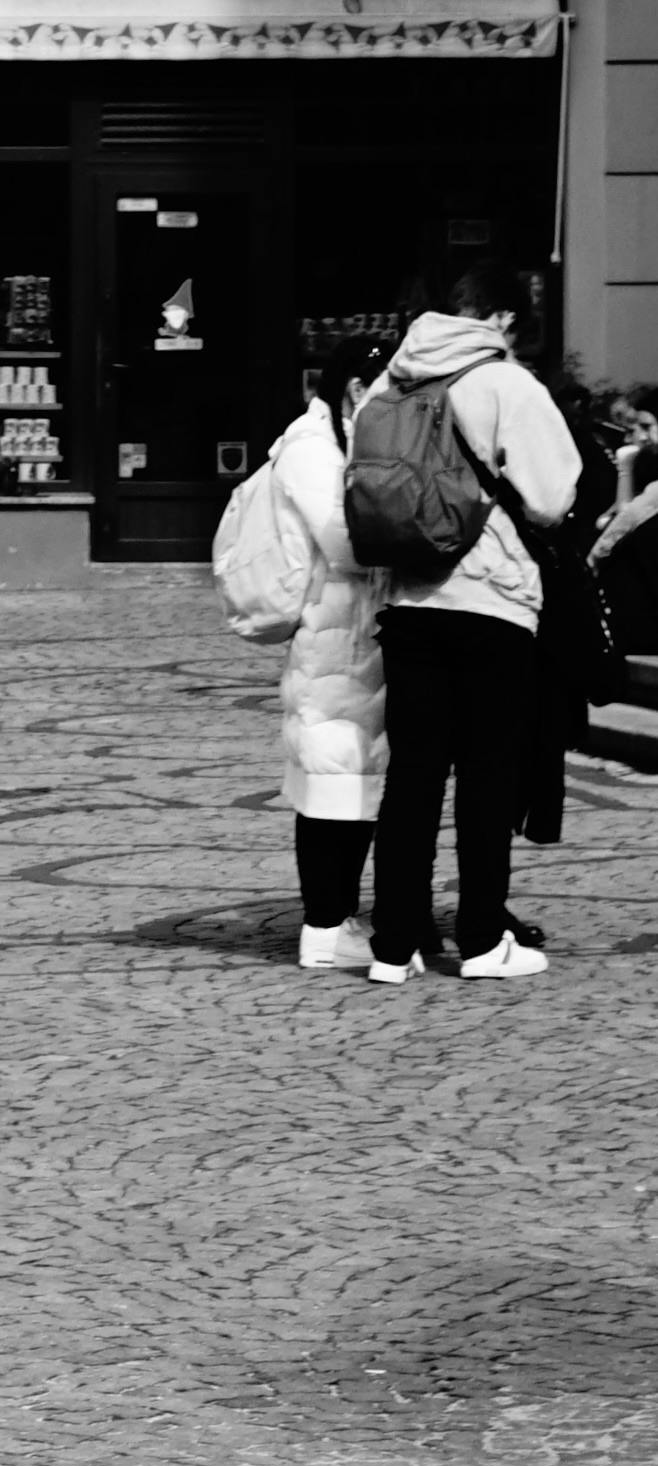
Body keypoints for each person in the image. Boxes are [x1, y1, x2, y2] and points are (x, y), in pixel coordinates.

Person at [359, 231, 583, 986]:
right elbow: (552, 501)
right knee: (488, 774)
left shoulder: (391, 384)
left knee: (413, 774)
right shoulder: (505, 383)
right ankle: (484, 938)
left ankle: (395, 944)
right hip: (491, 600)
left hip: (410, 598)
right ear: (502, 320)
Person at [214, 377, 385, 971]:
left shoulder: (343, 439)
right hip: (331, 638)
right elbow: (346, 543)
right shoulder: (312, 448)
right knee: (331, 778)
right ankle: (323, 927)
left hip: (354, 637)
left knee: (353, 783)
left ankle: (338, 917)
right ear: (356, 386)